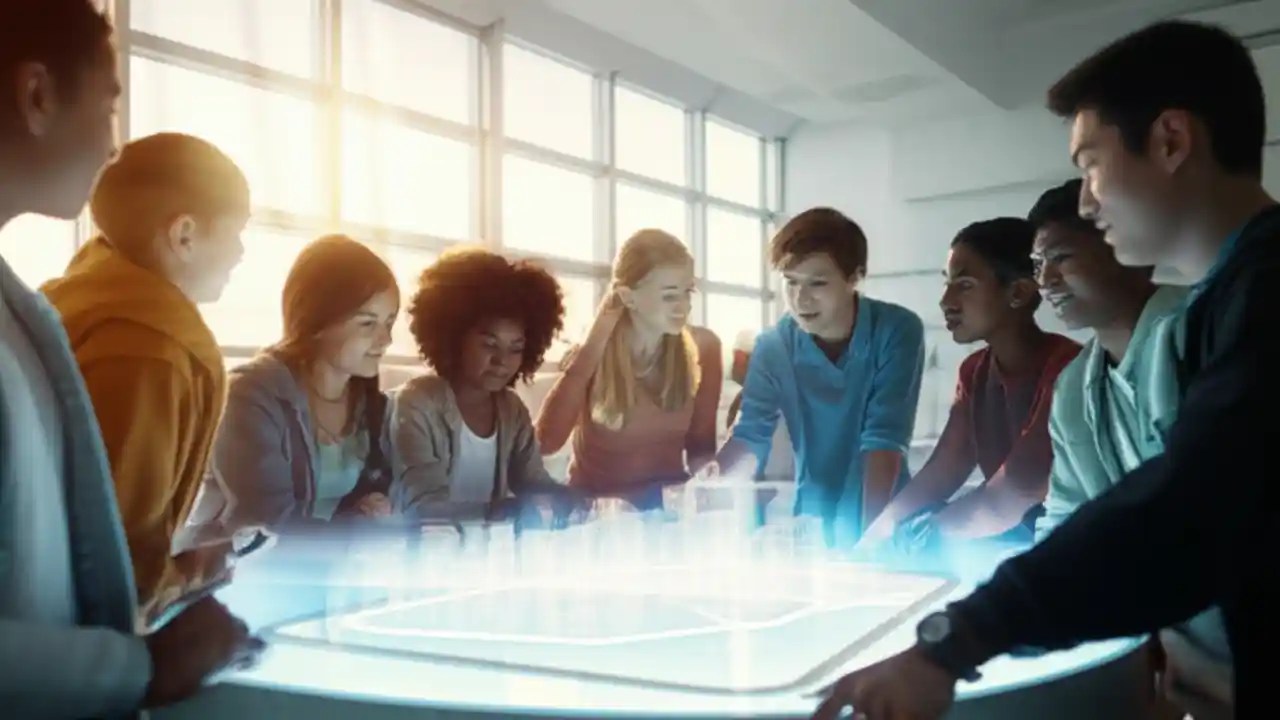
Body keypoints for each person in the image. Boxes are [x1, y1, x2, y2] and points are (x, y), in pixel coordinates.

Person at [813, 20, 1276, 720]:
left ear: (1172, 141)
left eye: (1091, 165)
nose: (1087, 200)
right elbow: (1079, 518)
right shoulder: (1218, 307)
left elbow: (1189, 510)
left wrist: (955, 639)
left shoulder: (1260, 295)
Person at [0, 1, 260, 716]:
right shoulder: (150, 343)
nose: (113, 148)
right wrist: (139, 666)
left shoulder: (37, 309)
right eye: (110, 105)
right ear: (38, 96)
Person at [1029, 179, 1231, 715]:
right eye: (1036, 264)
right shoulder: (1073, 388)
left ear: (1128, 253)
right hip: (1187, 655)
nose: (1045, 279)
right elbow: (1066, 517)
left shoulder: (1201, 331)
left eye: (1062, 257)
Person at [41, 132, 249, 621]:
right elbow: (121, 573)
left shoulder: (77, 301)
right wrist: (197, 570)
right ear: (184, 236)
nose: (241, 253)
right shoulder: (150, 351)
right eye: (237, 232)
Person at [860, 218, 1080, 549]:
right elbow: (943, 470)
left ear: (1018, 292)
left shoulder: (1069, 367)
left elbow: (1019, 487)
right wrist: (872, 539)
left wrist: (920, 533)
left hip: (1073, 545)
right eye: (946, 284)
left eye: (964, 285)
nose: (945, 301)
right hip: (1018, 541)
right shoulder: (974, 372)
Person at [713, 208, 925, 545]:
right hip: (812, 523)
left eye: (818, 282)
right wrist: (702, 486)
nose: (800, 298)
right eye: (790, 282)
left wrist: (872, 538)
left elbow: (884, 439)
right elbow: (750, 434)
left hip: (883, 512)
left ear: (855, 277)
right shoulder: (773, 346)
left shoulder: (897, 330)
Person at [180, 234, 399, 542]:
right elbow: (264, 523)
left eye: (389, 322)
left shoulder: (373, 405)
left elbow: (386, 498)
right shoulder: (250, 395)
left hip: (326, 573)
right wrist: (360, 526)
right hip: (236, 574)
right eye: (367, 324)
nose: (386, 340)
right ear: (317, 321)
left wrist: (376, 507)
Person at [535, 229, 722, 511]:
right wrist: (595, 341)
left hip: (665, 513)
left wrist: (710, 475)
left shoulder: (704, 348)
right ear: (627, 296)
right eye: (669, 296)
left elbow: (700, 447)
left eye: (687, 292)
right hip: (599, 516)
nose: (683, 307)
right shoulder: (589, 356)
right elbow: (546, 443)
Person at [393, 247, 581, 524]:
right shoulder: (417, 403)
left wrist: (569, 496)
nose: (501, 361)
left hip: (489, 555)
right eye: (489, 344)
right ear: (454, 336)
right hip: (428, 557)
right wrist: (501, 511)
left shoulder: (511, 409)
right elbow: (422, 506)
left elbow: (533, 482)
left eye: (516, 348)